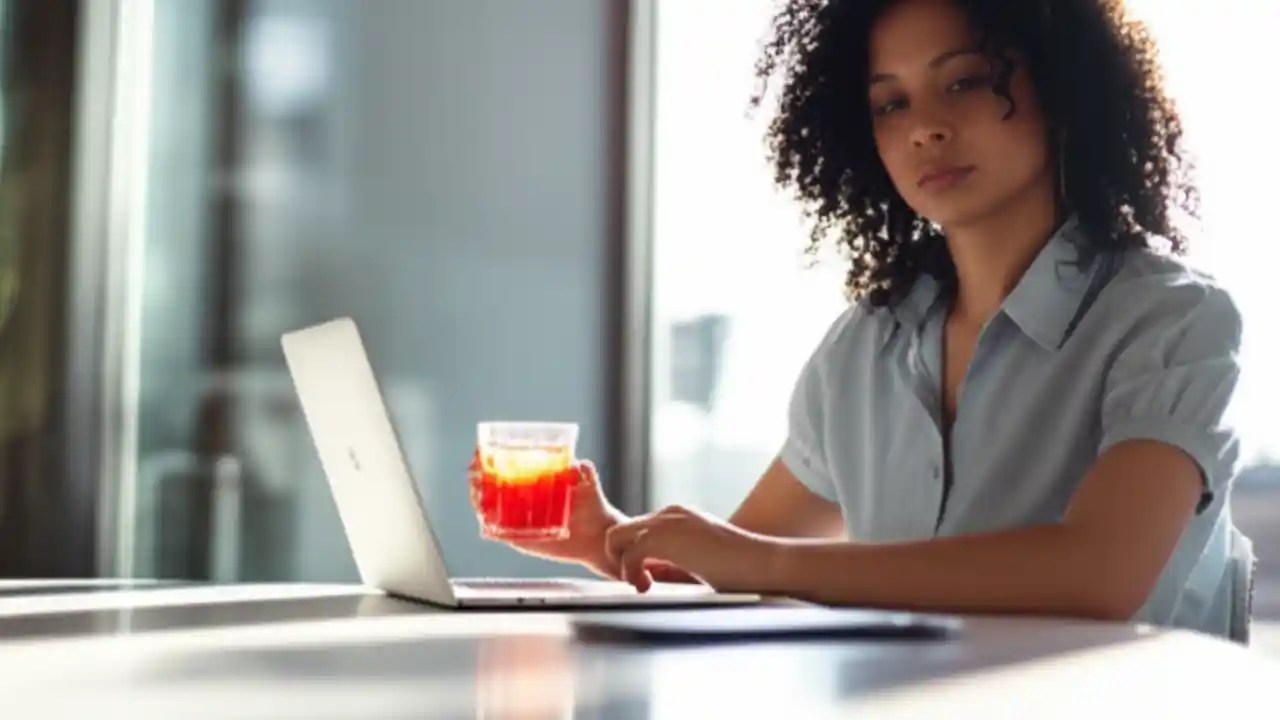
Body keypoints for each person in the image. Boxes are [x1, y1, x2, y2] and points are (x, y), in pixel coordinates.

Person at [470, 0, 1253, 639]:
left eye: (966, 82)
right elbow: (735, 560)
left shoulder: (1172, 320)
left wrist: (759, 562)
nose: (924, 128)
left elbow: (1099, 575)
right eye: (890, 102)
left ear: (1062, 90)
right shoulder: (867, 346)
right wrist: (607, 539)